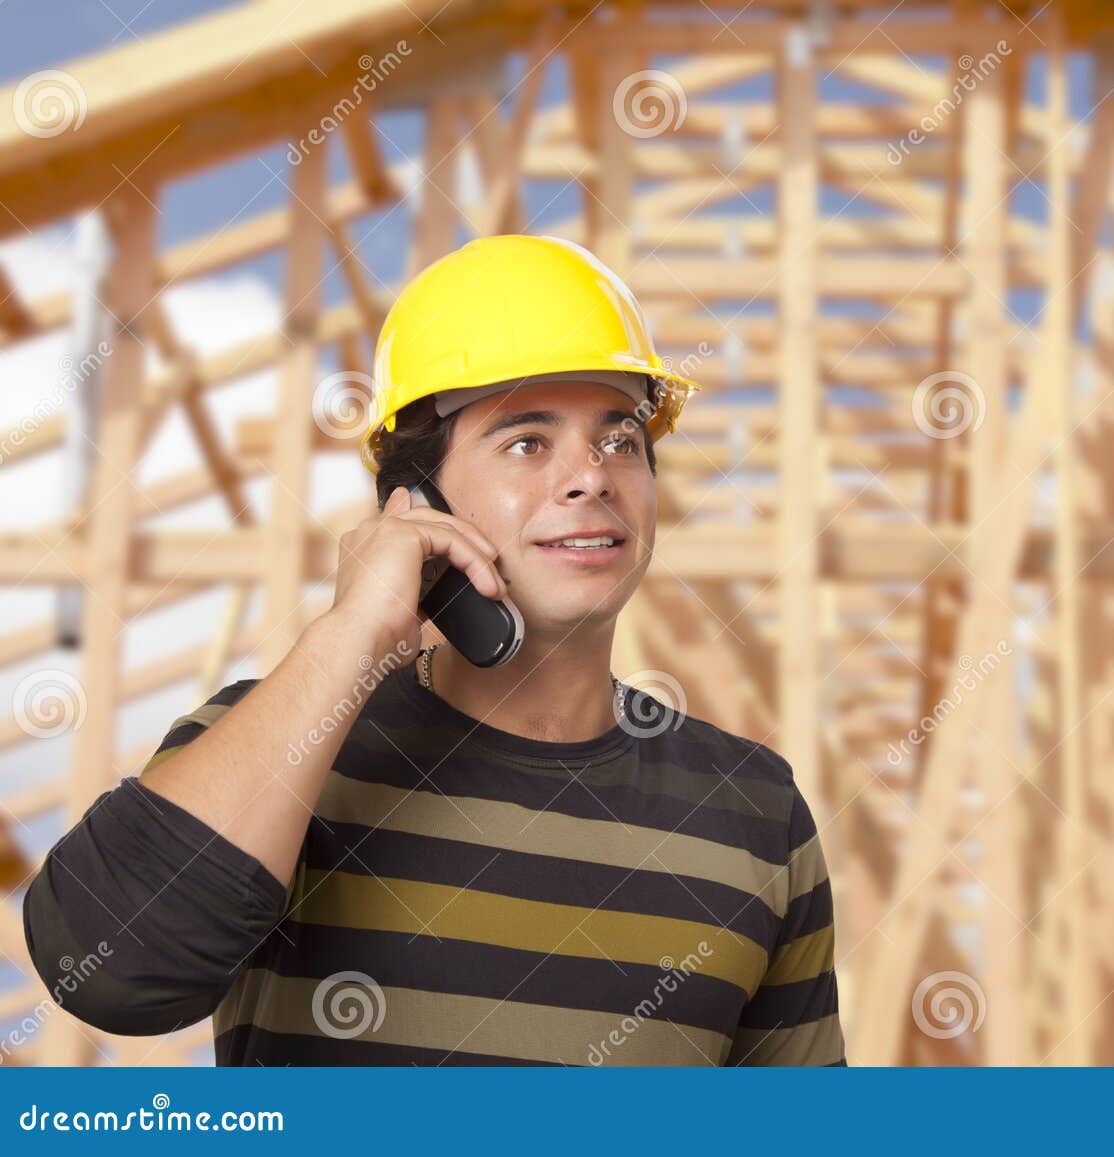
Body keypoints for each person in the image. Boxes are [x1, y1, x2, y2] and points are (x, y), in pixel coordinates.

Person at [23, 234, 845, 1066]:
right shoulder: (287, 742)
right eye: (528, 441)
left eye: (621, 439)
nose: (591, 476)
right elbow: (104, 971)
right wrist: (353, 633)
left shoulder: (755, 813)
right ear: (413, 502)